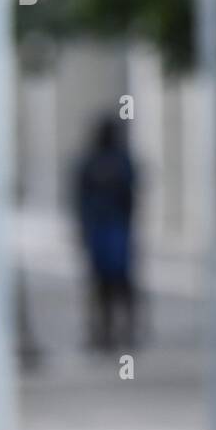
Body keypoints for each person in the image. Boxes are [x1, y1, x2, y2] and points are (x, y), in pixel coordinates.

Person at [74, 116, 139, 352]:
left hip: (111, 229)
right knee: (109, 284)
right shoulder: (104, 162)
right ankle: (107, 331)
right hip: (107, 230)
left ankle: (115, 331)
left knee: (115, 283)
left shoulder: (114, 162)